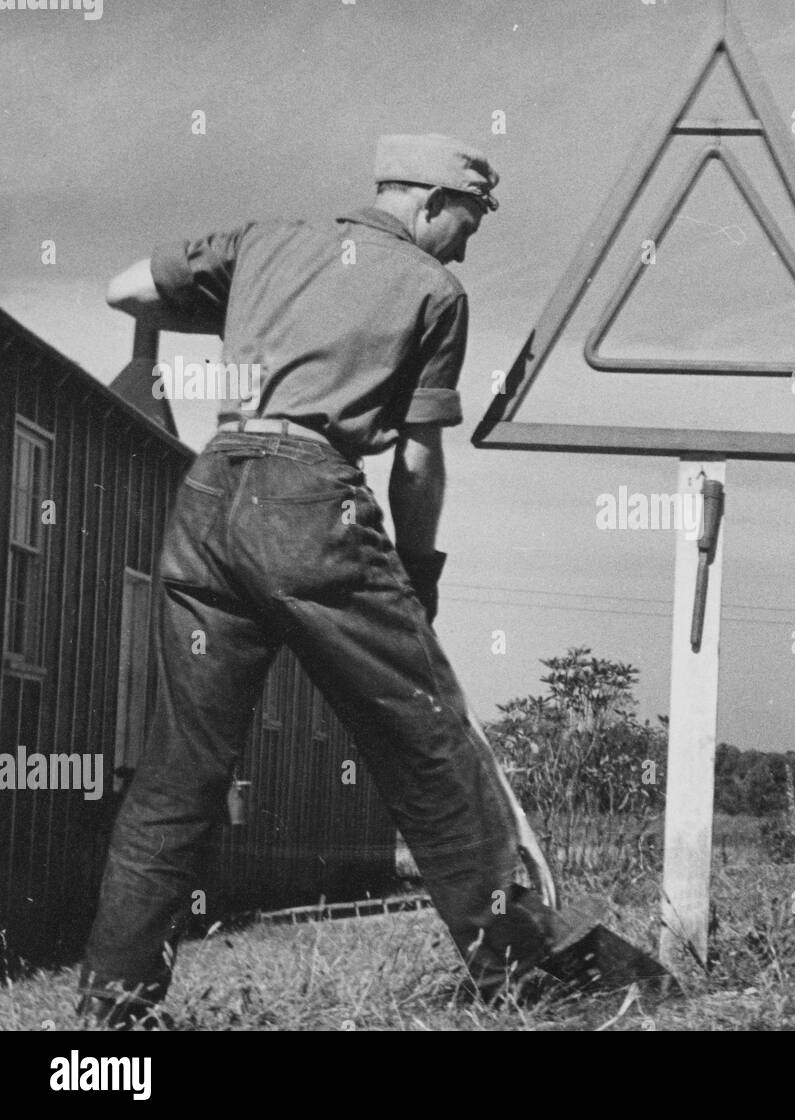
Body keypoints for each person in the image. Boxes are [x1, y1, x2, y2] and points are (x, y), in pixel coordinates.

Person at [77, 133, 568, 1026]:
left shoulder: (263, 240)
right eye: (469, 219)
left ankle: (113, 1011)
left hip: (210, 490)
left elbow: (123, 289)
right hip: (310, 502)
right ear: (427, 202)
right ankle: (524, 978)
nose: (468, 241)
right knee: (428, 744)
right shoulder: (434, 291)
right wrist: (418, 576)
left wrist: (249, 314)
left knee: (178, 773)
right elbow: (418, 461)